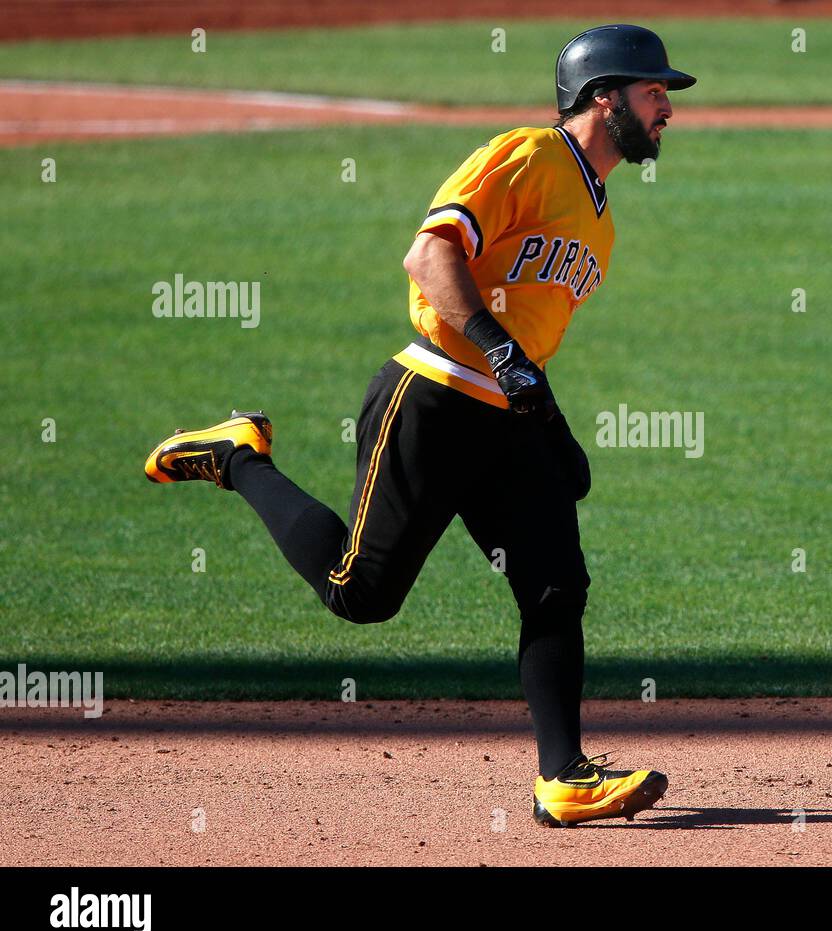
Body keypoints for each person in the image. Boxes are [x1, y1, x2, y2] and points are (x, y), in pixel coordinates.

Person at [143, 24, 695, 827]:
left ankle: (563, 778)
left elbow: (530, 334)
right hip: (431, 398)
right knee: (360, 594)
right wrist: (500, 352)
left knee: (556, 585)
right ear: (603, 96)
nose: (666, 110)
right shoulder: (527, 156)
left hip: (509, 417)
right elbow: (430, 257)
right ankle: (237, 457)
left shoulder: (601, 217)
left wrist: (550, 422)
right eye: (653, 93)